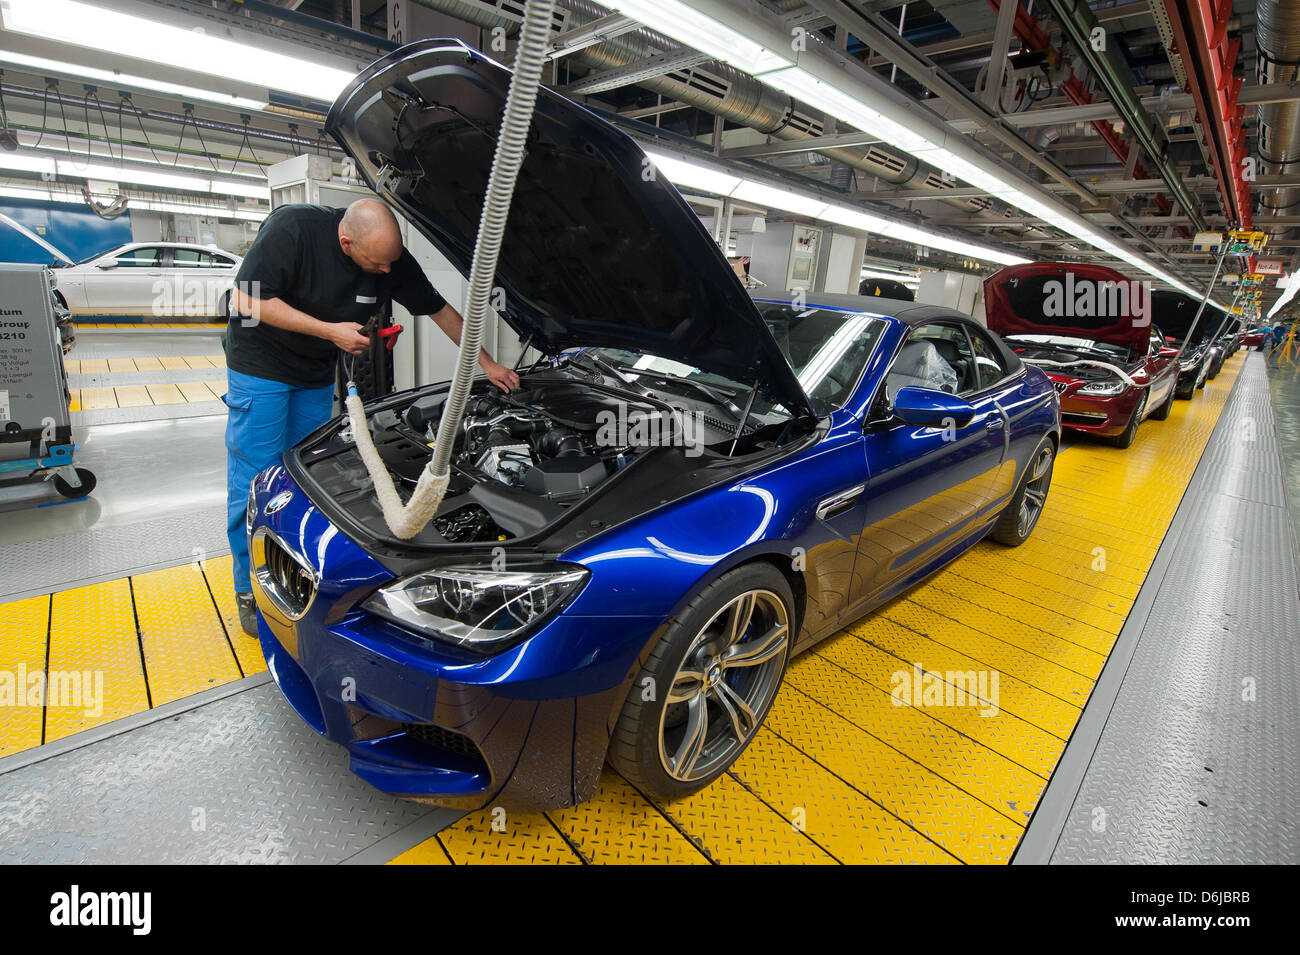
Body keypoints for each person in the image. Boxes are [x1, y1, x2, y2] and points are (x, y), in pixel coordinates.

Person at [223, 199, 520, 635]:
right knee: (255, 474)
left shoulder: (388, 257)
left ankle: (298, 573)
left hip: (314, 370)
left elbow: (439, 310)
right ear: (347, 242)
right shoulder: (295, 230)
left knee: (304, 477)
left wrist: (488, 364)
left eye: (390, 263)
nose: (385, 273)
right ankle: (248, 586)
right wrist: (330, 331)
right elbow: (244, 301)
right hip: (260, 365)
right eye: (377, 265)